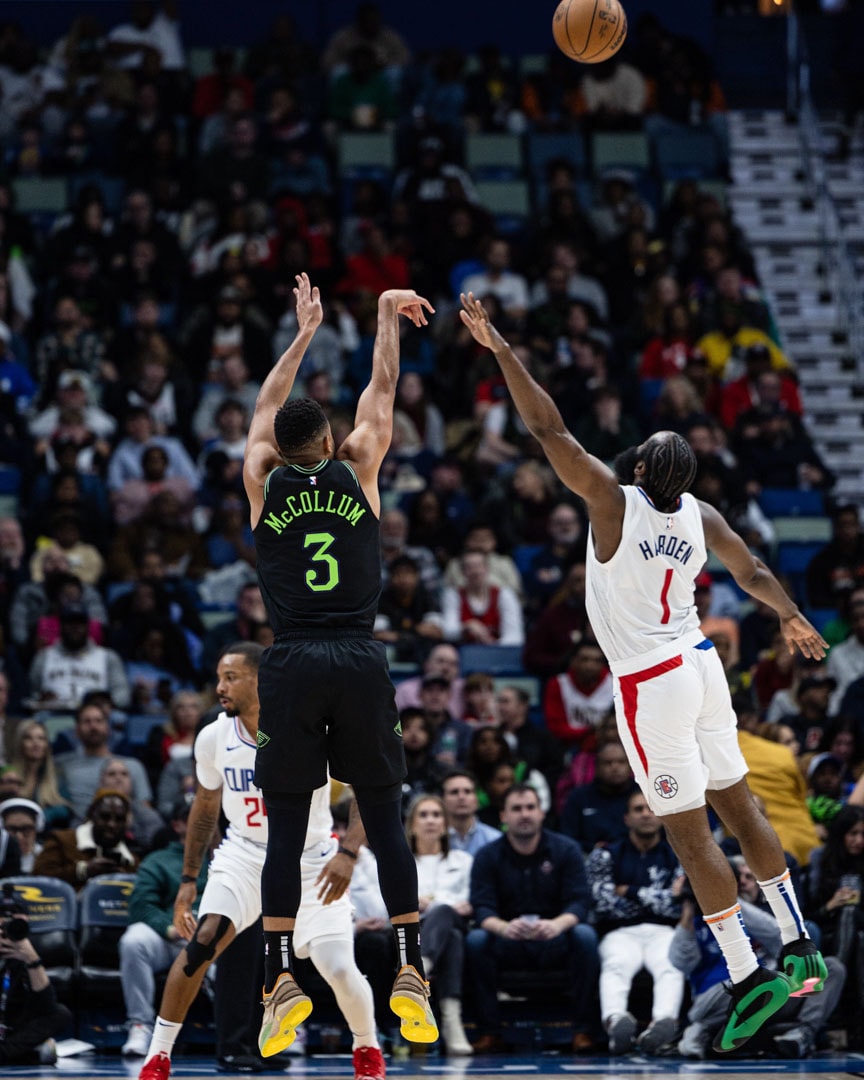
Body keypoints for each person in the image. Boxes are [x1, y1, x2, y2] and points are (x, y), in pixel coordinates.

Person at [458, 291, 829, 1054]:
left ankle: (743, 969)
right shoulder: (700, 516)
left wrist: (500, 349)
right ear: (683, 479)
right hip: (701, 662)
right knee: (742, 807)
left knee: (691, 837)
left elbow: (547, 427)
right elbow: (754, 571)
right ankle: (797, 940)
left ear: (634, 468)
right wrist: (792, 615)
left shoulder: (612, 502)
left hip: (650, 679)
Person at [242, 274, 439, 1055]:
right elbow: (382, 387)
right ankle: (411, 969)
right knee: (384, 818)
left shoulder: (260, 476)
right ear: (326, 443)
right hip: (359, 655)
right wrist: (387, 311)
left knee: (287, 829)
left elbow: (265, 408)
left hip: (289, 660)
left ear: (281, 452)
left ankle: (278, 976)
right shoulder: (358, 463)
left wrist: (302, 332)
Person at [136, 643, 384, 1080]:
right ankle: (157, 1057)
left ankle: (367, 1050)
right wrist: (189, 879)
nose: (219, 687)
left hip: (312, 862)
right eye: (219, 677)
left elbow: (370, 788)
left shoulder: (315, 731)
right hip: (245, 857)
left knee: (340, 970)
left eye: (230, 677)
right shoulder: (214, 736)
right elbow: (205, 807)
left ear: (261, 679)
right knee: (203, 941)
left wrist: (349, 852)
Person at [466, 783, 600, 1054]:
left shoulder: (566, 850)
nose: (524, 814)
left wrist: (557, 925)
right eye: (516, 809)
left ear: (542, 813)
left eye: (530, 807)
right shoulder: (488, 855)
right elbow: (481, 907)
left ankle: (584, 1031)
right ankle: (489, 1032)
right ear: (503, 816)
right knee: (476, 940)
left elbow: (580, 901)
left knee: (585, 936)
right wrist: (503, 927)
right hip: (509, 940)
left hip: (555, 937)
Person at [586, 789, 685, 1055]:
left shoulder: (678, 855)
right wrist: (660, 897)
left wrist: (629, 891)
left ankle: (663, 1024)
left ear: (661, 816)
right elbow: (603, 903)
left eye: (651, 808)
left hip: (664, 930)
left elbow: (677, 906)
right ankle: (616, 1022)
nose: (645, 814)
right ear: (627, 818)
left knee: (670, 965)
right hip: (620, 933)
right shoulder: (605, 855)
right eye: (638, 809)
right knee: (616, 965)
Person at [0, 890, 73, 1066]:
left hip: (10, 1023)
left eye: (16, 917)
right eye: (4, 916)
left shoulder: (27, 947)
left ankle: (7, 1054)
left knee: (60, 1013)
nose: (9, 924)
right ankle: (29, 1055)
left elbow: (47, 1007)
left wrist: (32, 960)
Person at [33, 788, 139, 889]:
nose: (112, 824)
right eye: (105, 817)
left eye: (119, 819)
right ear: (91, 815)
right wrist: (83, 871)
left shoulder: (131, 862)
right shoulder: (62, 840)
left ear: (126, 823)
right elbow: (38, 879)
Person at [441, 769, 501, 857]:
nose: (461, 797)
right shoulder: (430, 839)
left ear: (476, 799)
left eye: (467, 791)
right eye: (454, 792)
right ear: (442, 800)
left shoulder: (495, 839)